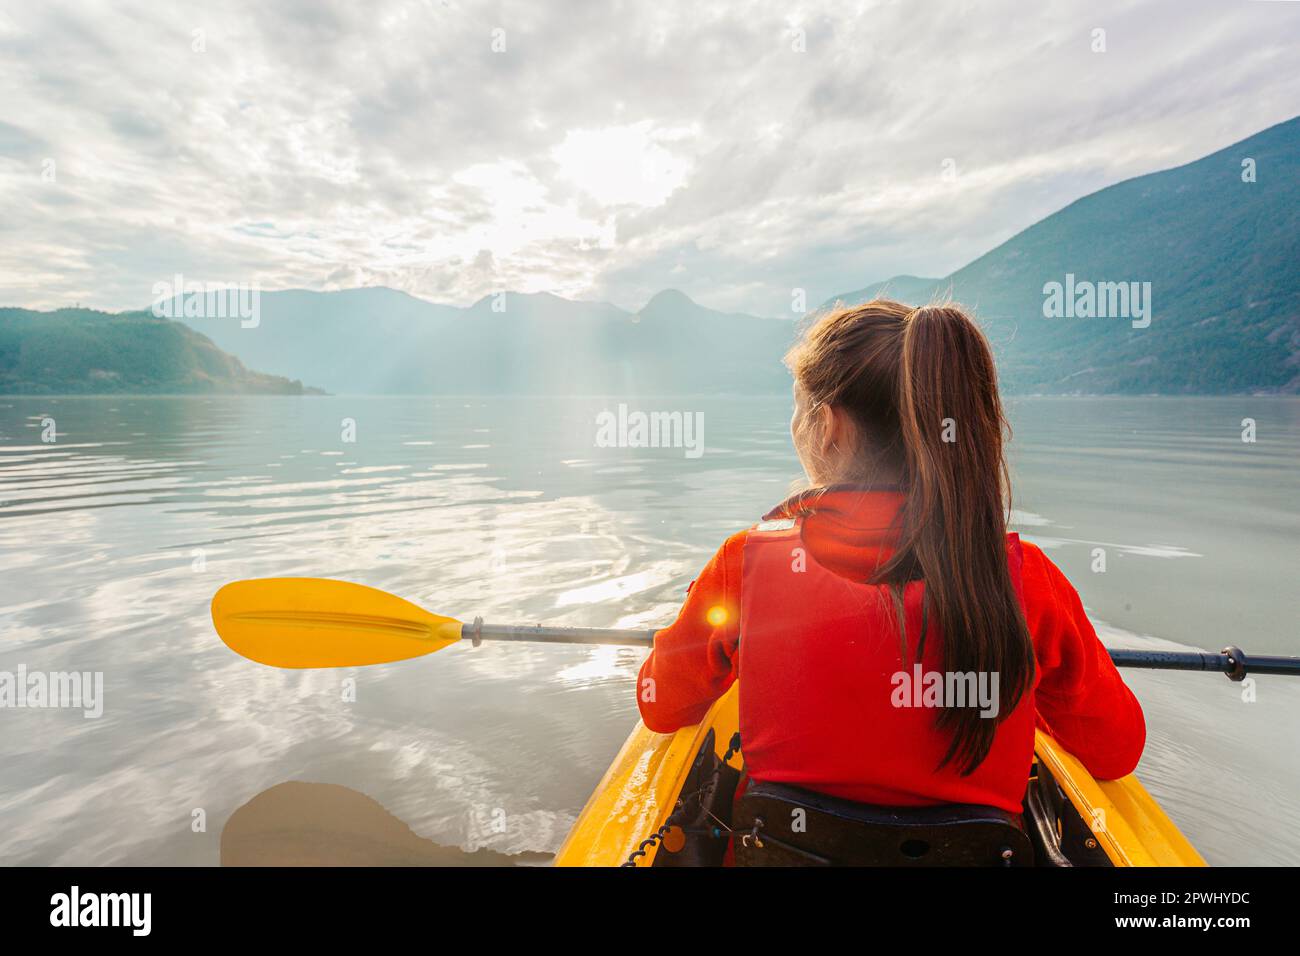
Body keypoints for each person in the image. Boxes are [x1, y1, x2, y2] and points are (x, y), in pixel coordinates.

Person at [635, 300, 1145, 813]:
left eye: (797, 407)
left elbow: (659, 704)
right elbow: (1116, 751)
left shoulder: (743, 563)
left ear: (828, 425)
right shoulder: (1027, 580)